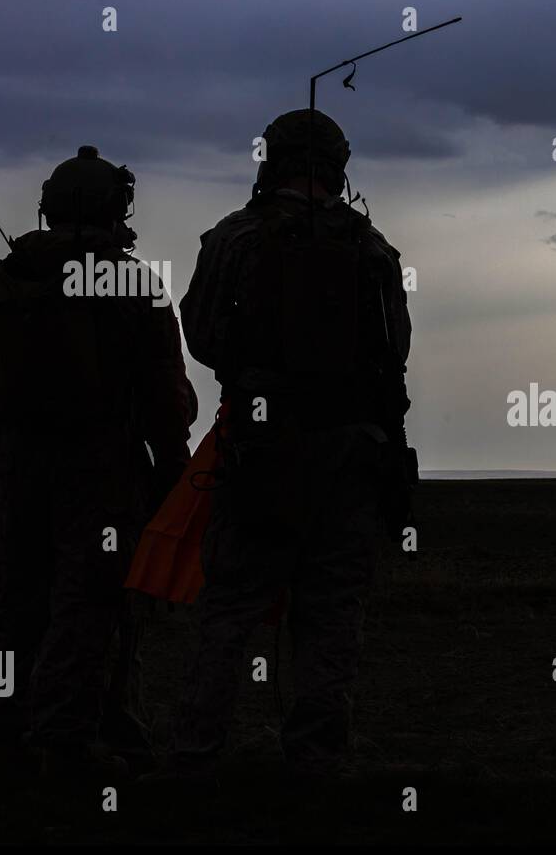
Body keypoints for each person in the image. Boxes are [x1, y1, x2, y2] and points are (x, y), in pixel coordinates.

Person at [172, 108, 414, 777]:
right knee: (331, 611)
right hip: (353, 458)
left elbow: (205, 337)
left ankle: (196, 756)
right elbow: (396, 348)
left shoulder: (234, 237)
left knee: (229, 608)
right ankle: (316, 759)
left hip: (260, 452)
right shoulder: (372, 248)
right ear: (339, 164)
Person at [0, 145, 196, 778]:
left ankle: (5, 734)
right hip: (103, 473)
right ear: (117, 207)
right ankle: (65, 745)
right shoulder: (132, 285)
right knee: (88, 609)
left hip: (18, 469)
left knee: (18, 605)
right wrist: (174, 472)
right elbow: (165, 398)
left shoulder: (1, 282)